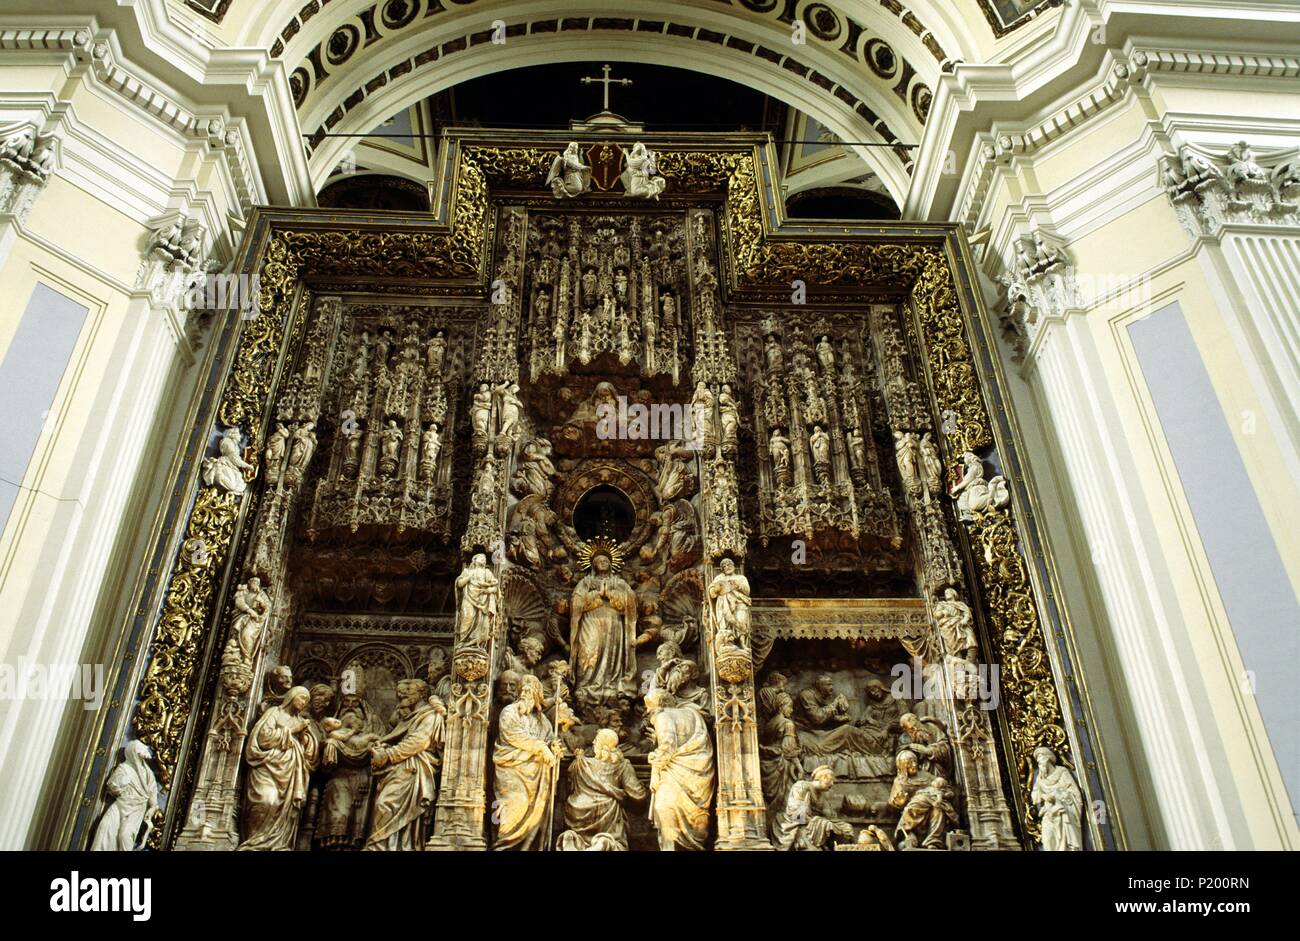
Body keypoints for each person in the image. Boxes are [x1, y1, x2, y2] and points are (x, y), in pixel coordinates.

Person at [365, 680, 446, 851]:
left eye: (410, 690)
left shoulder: (430, 715)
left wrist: (388, 755)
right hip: (401, 767)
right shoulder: (410, 715)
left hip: (414, 769)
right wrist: (383, 747)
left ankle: (383, 846)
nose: (404, 693)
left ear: (422, 694)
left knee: (385, 804)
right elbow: (398, 738)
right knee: (383, 804)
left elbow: (418, 742)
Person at [238, 686, 318, 850]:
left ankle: (280, 844)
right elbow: (263, 737)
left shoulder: (299, 720)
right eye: (302, 698)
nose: (304, 703)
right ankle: (255, 843)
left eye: (306, 701)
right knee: (266, 800)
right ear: (291, 696)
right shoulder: (274, 712)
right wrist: (292, 730)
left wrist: (306, 738)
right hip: (267, 767)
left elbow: (309, 754)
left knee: (288, 812)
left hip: (290, 774)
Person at [493, 676, 562, 850]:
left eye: (530, 692)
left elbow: (549, 739)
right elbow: (514, 735)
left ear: (538, 696)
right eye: (523, 691)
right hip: (511, 768)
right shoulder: (509, 712)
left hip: (537, 776)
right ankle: (504, 844)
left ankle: (527, 847)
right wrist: (541, 747)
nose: (525, 695)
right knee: (516, 803)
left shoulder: (543, 721)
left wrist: (553, 746)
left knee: (537, 810)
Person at [645, 690, 714, 851]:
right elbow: (686, 741)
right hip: (699, 772)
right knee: (696, 814)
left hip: (675, 773)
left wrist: (655, 770)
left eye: (649, 707)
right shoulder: (693, 714)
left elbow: (668, 746)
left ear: (658, 705)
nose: (648, 712)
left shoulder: (663, 716)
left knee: (664, 807)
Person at [569, 547, 638, 707]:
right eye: (599, 561)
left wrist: (611, 595)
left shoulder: (619, 582)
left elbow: (632, 603)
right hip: (590, 621)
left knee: (611, 652)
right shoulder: (586, 582)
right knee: (589, 650)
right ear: (593, 564)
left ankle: (611, 685)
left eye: (606, 561)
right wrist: (597, 595)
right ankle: (586, 685)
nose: (603, 563)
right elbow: (575, 604)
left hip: (613, 623)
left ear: (611, 564)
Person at [556, 729, 646, 851]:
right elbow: (638, 795)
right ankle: (604, 843)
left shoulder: (581, 763)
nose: (593, 742)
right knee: (612, 842)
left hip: (577, 810)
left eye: (596, 740)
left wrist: (579, 757)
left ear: (602, 744)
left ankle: (572, 840)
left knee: (575, 836)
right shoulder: (623, 764)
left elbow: (570, 785)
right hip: (607, 813)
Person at [90, 741, 158, 851]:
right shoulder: (124, 768)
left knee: (125, 835)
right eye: (138, 754)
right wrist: (121, 783)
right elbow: (113, 789)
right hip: (120, 805)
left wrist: (153, 807)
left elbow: (152, 793)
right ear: (132, 754)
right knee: (105, 827)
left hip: (136, 809)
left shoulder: (148, 773)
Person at [772, 766, 854, 850]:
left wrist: (840, 826)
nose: (832, 784)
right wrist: (820, 822)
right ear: (824, 777)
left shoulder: (821, 796)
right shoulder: (801, 786)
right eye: (831, 780)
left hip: (812, 825)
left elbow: (830, 817)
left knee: (843, 828)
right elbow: (797, 816)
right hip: (795, 826)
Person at [1031, 746, 1083, 851]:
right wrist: (1043, 796)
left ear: (1048, 760)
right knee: (1047, 840)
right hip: (1049, 814)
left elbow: (1074, 793)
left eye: (1041, 762)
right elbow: (1035, 797)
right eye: (1039, 763)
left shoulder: (1062, 772)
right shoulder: (1040, 779)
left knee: (1065, 840)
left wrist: (1056, 796)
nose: (1040, 766)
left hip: (1064, 811)